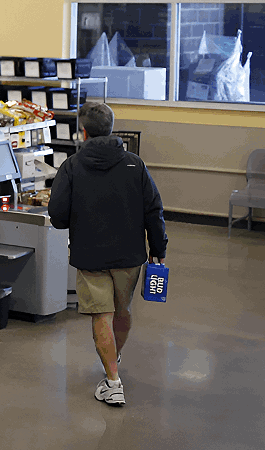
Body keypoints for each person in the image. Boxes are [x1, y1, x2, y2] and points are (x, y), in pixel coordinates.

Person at [48, 101, 168, 407]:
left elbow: (58, 215)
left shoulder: (72, 166)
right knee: (122, 310)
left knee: (101, 314)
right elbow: (154, 210)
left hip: (90, 256)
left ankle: (113, 381)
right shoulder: (134, 164)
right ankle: (113, 358)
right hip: (129, 256)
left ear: (83, 131)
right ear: (112, 128)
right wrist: (158, 249)